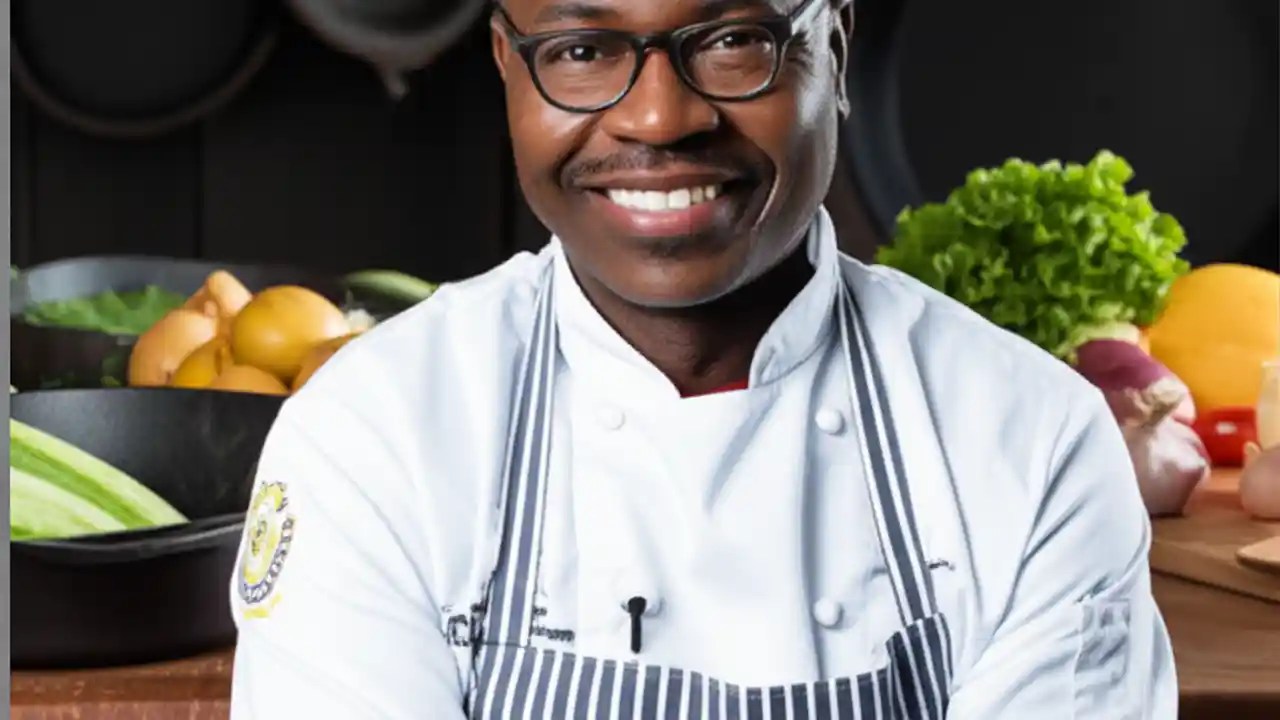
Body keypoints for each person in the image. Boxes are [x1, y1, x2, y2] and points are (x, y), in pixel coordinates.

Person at [227, 0, 1178, 717]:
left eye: (731, 41)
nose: (658, 117)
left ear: (833, 55)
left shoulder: (1030, 438)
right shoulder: (375, 431)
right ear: (509, 71)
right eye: (582, 51)